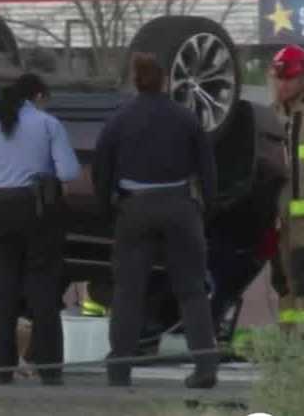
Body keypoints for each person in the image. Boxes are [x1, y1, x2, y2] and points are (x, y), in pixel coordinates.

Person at [92, 52, 220, 389]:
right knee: (191, 291)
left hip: (134, 210)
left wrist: (107, 211)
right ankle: (205, 366)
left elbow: (101, 169)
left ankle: (120, 369)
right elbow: (207, 169)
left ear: (135, 80)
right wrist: (208, 208)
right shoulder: (186, 117)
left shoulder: (119, 119)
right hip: (180, 206)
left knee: (128, 292)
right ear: (165, 80)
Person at [0, 73, 80, 386]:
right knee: (43, 290)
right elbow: (69, 171)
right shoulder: (48, 124)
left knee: (4, 292)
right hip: (37, 211)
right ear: (37, 96)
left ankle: (2, 368)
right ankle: (50, 369)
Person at [268, 44, 304, 335]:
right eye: (279, 78)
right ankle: (288, 344)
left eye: (289, 78)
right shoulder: (271, 117)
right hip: (281, 221)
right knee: (283, 282)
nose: (283, 84)